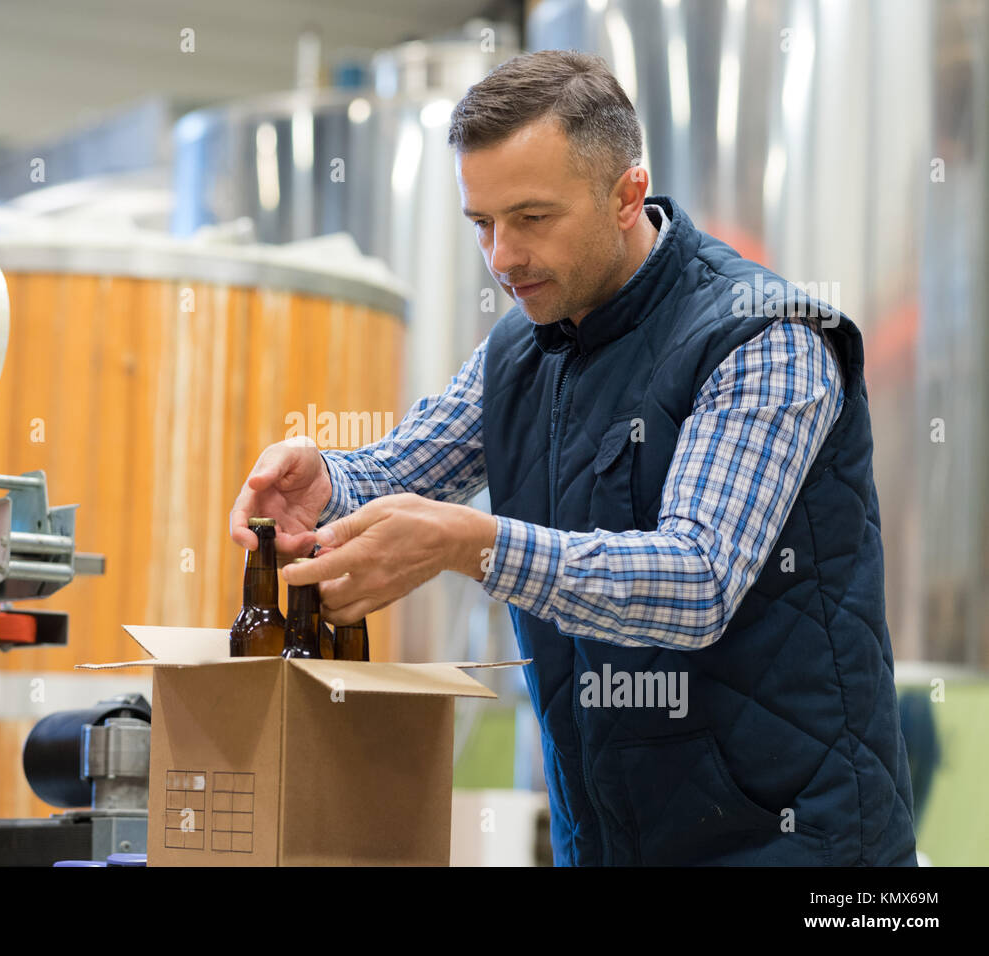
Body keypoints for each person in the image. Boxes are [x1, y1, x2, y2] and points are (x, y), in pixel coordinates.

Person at [229, 50, 917, 866]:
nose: (500, 258)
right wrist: (327, 480)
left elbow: (696, 579)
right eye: (481, 223)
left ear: (628, 194)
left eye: (531, 218)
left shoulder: (764, 338)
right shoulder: (523, 348)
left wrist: (470, 544)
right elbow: (402, 468)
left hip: (796, 847)